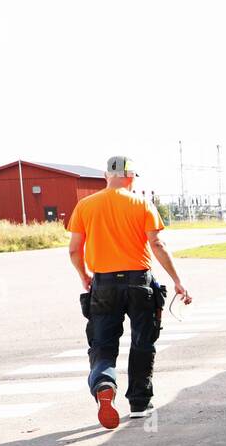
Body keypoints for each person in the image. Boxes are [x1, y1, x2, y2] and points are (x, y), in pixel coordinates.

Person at [67, 156, 192, 429]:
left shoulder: (85, 206)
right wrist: (177, 280)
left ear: (105, 176)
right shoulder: (142, 204)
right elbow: (157, 243)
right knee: (142, 342)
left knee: (102, 345)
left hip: (103, 285)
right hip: (139, 284)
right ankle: (139, 402)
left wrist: (84, 275)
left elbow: (75, 249)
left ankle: (104, 382)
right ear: (131, 176)